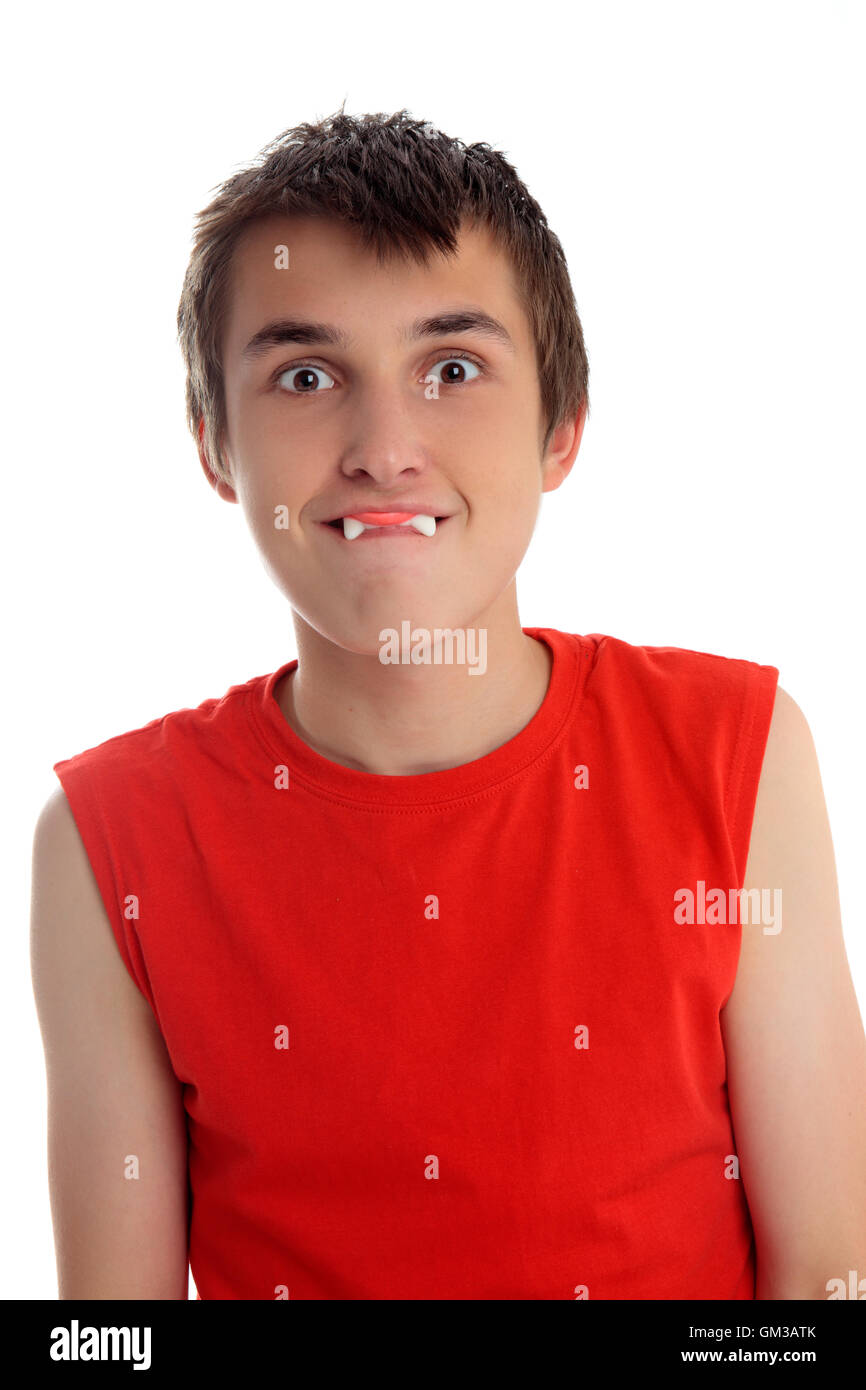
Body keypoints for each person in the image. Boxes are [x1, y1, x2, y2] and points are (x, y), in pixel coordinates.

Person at [30, 107, 866, 1300]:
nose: (383, 446)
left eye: (452, 369)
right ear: (214, 445)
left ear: (559, 428)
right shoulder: (107, 838)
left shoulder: (737, 753)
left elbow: (829, 1275)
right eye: (306, 375)